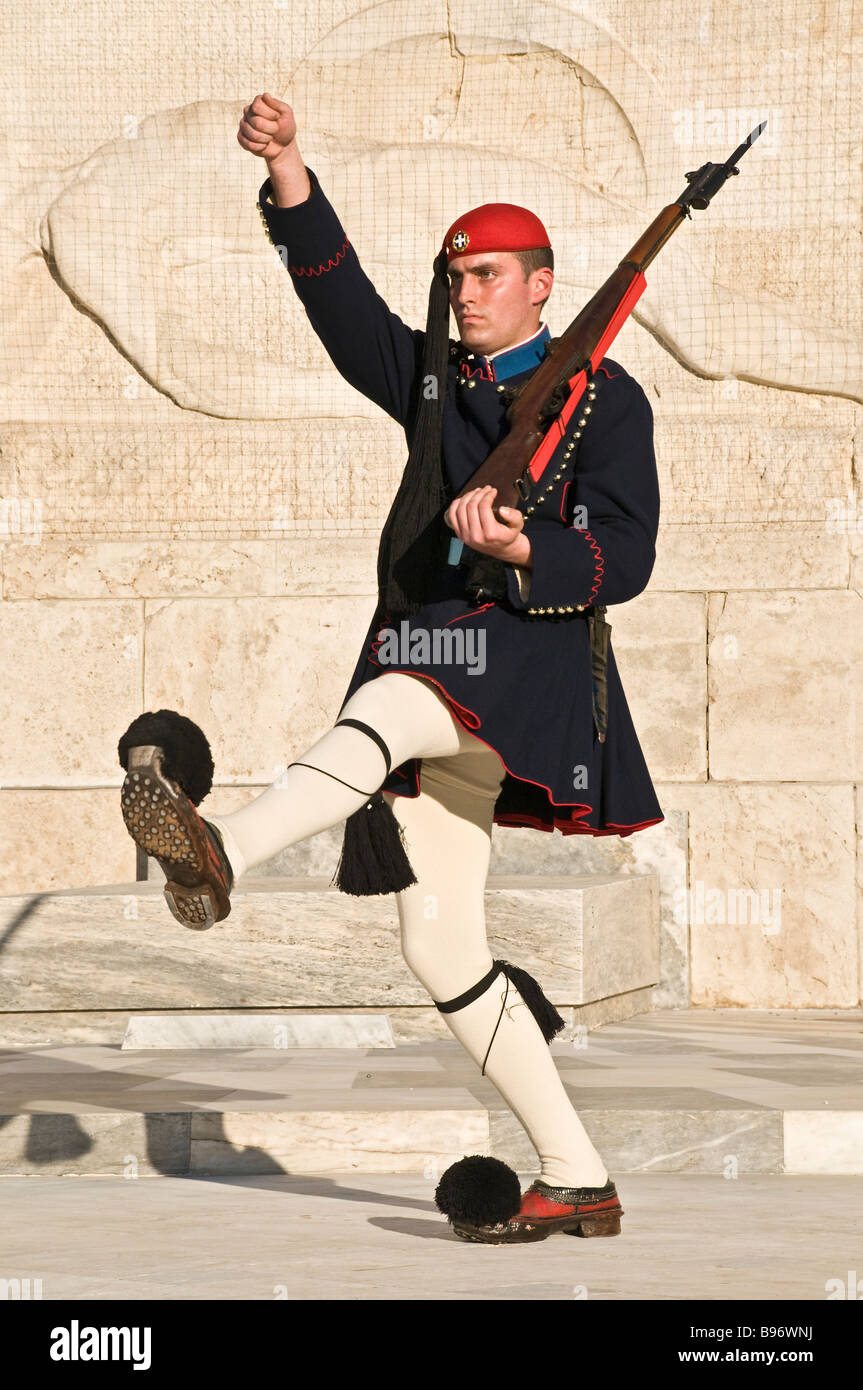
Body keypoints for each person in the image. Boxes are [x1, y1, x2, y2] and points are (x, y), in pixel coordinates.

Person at [118, 91, 663, 1244]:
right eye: (456, 276)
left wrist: (524, 545)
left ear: (539, 287)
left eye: (487, 276)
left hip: (523, 661)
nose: (462, 292)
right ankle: (577, 1175)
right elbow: (342, 308)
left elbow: (624, 555)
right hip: (443, 667)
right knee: (439, 944)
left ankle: (222, 851)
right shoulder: (430, 385)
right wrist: (290, 175)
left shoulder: (605, 402)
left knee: (402, 690)